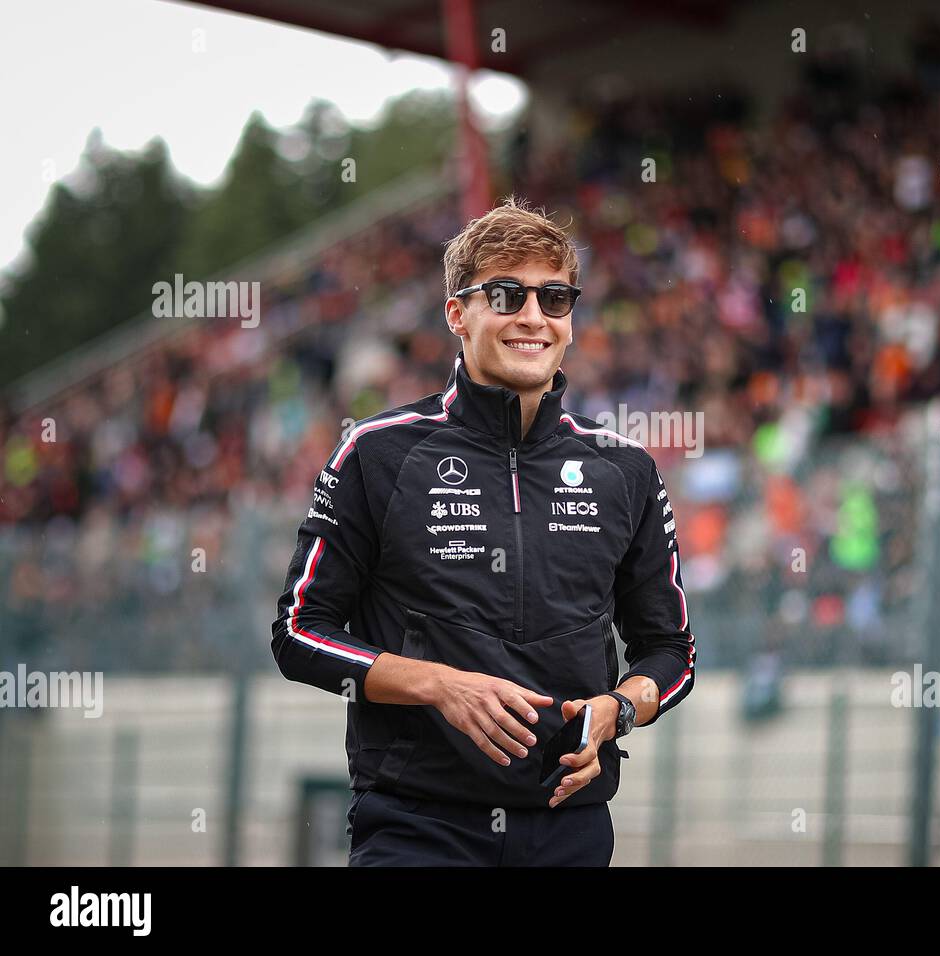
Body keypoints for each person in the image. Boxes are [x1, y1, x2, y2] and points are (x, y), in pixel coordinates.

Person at [270, 196, 696, 866]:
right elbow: (298, 632)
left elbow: (672, 652)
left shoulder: (626, 471)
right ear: (457, 314)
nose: (533, 317)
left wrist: (621, 708)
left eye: (555, 299)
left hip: (570, 828)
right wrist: (438, 684)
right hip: (417, 828)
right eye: (506, 295)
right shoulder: (376, 455)